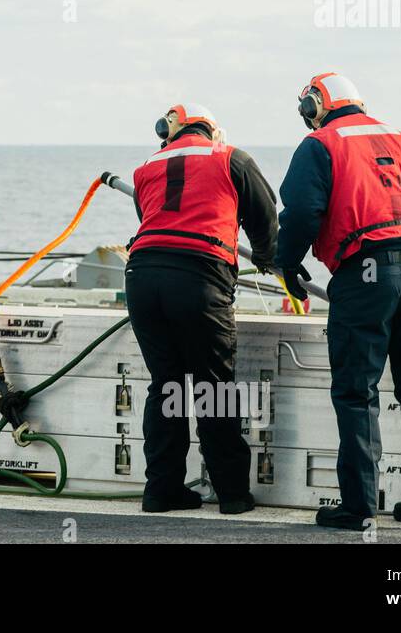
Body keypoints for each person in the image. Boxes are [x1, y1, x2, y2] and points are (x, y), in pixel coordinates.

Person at [275, 74, 401, 529]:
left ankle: (359, 506)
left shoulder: (320, 145)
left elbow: (300, 213)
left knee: (357, 393)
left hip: (363, 274)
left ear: (315, 106)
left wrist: (287, 265)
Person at [125, 104, 278, 514]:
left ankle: (161, 490)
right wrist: (265, 256)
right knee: (213, 387)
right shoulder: (231, 157)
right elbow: (265, 215)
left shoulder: (146, 167)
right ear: (212, 130)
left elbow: (148, 216)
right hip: (198, 276)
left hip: (142, 275)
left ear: (169, 134)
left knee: (166, 384)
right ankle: (232, 494)